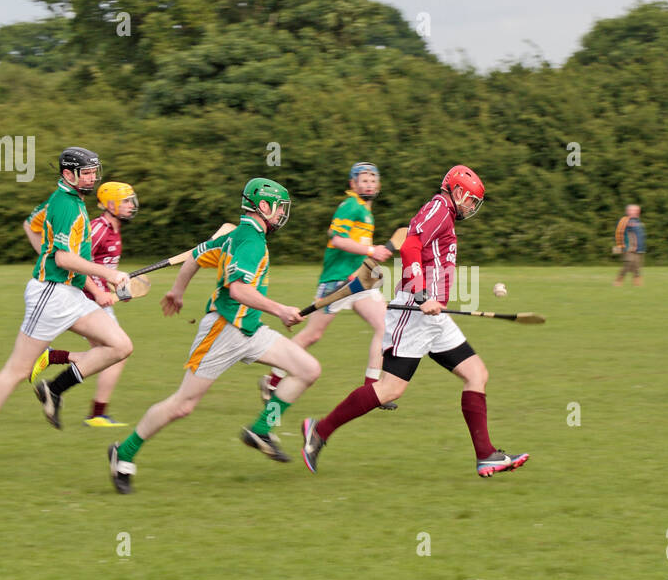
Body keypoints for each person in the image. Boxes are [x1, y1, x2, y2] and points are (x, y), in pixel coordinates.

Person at [300, 165, 529, 479]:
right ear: (458, 191)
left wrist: (431, 300)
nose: (472, 207)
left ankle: (486, 455)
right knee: (390, 389)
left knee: (476, 373)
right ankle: (319, 431)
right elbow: (409, 247)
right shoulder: (438, 208)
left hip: (435, 315)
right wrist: (422, 296)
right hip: (416, 310)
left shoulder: (444, 213)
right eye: (471, 200)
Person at [107, 178, 319, 494]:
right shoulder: (250, 241)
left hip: (249, 328)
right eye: (279, 209)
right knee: (182, 405)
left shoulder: (234, 235)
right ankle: (123, 453)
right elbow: (238, 289)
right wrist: (281, 309)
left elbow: (194, 256)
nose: (281, 215)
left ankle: (262, 429)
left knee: (307, 370)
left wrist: (178, 291)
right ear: (264, 207)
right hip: (222, 330)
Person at [0, 147, 133, 465]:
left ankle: (55, 388)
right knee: (17, 369)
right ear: (69, 174)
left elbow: (31, 225)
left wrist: (88, 282)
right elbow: (63, 258)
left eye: (95, 171)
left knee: (120, 345)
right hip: (50, 295)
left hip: (71, 294)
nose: (93, 177)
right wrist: (108, 275)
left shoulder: (68, 200)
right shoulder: (65, 205)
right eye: (87, 172)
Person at [259, 162, 396, 410]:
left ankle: (371, 389)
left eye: (372, 179)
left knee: (385, 326)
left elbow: (358, 249)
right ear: (352, 184)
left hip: (359, 280)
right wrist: (371, 250)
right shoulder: (350, 206)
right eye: (363, 179)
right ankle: (271, 380)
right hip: (337, 281)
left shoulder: (366, 212)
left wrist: (370, 263)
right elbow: (336, 238)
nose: (368, 183)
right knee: (313, 335)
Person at [27, 181, 139, 427]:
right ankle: (93, 410)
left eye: (132, 201)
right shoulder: (98, 228)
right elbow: (76, 263)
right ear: (110, 205)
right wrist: (98, 292)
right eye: (126, 201)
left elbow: (102, 268)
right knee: (113, 353)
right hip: (85, 299)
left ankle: (56, 368)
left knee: (111, 353)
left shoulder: (114, 230)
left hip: (97, 298)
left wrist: (117, 288)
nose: (131, 206)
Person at [613, 204, 645, 286]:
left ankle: (637, 282)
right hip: (628, 248)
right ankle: (619, 280)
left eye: (636, 210)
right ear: (627, 211)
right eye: (632, 210)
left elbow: (640, 236)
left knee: (637, 266)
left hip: (639, 249)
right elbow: (619, 233)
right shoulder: (624, 220)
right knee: (628, 264)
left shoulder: (638, 222)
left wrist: (641, 247)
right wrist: (620, 246)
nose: (635, 212)